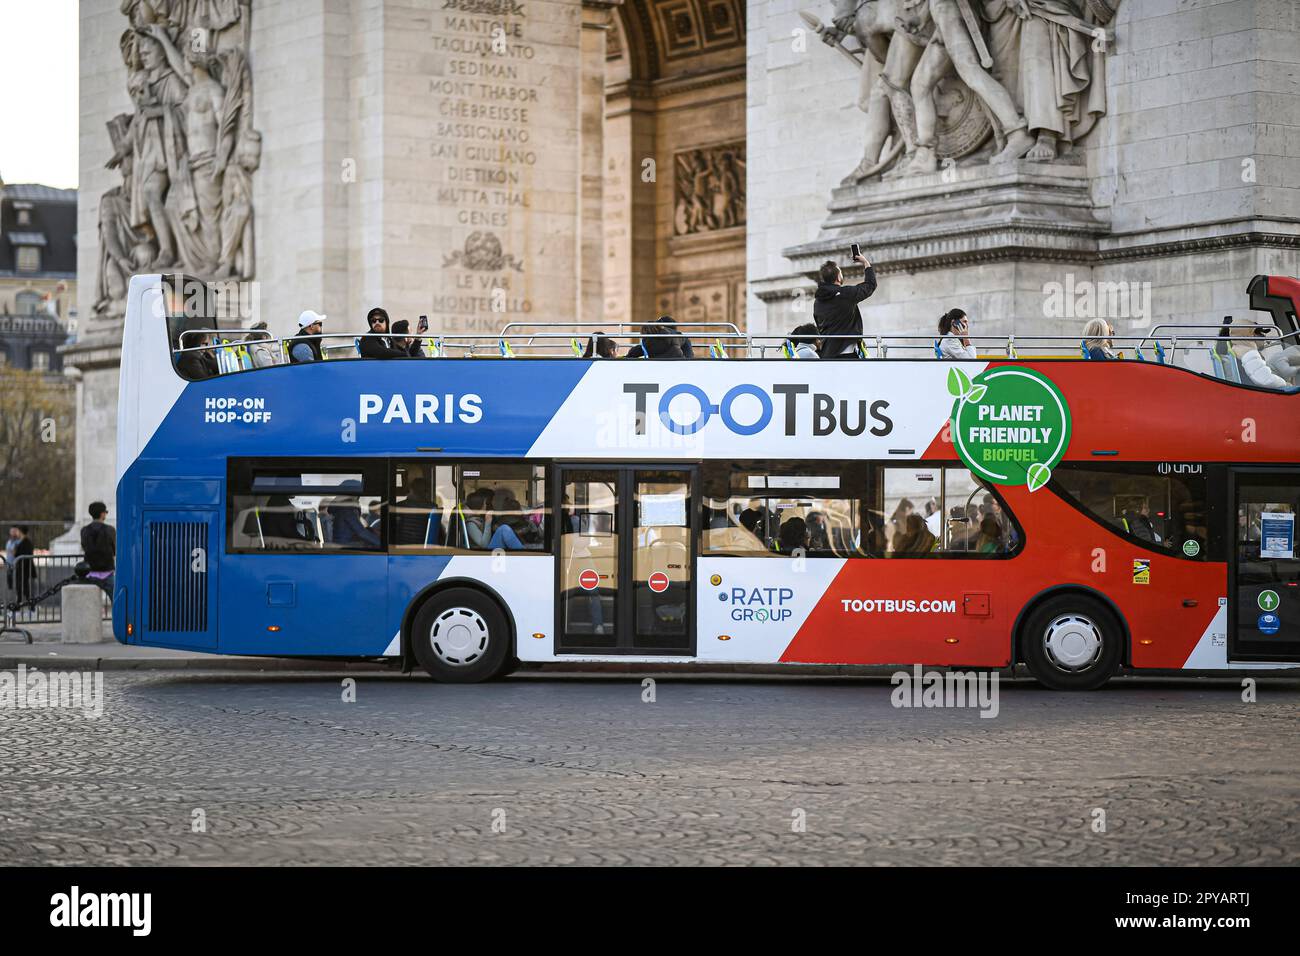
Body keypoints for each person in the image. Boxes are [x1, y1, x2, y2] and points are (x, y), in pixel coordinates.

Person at [813, 252, 877, 358]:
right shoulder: (846, 294)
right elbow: (870, 285)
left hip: (827, 353)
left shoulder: (817, 301)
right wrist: (866, 263)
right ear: (838, 277)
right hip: (847, 354)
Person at [327, 481, 381, 549]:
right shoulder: (347, 508)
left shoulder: (344, 507)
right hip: (346, 546)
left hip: (344, 543)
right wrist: (381, 543)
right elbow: (361, 532)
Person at [80, 502, 117, 595]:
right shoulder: (110, 530)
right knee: (116, 600)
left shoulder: (84, 530)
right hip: (107, 572)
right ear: (102, 514)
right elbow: (115, 550)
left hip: (90, 571)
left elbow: (84, 546)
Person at [6, 525, 35, 604]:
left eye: (17, 531)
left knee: (25, 588)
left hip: (24, 569)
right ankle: (19, 604)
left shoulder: (25, 542)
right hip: (18, 568)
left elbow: (24, 555)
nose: (16, 533)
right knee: (19, 587)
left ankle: (29, 606)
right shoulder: (20, 542)